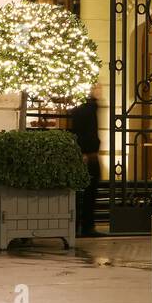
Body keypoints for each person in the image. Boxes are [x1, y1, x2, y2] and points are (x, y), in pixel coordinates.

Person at [66, 88, 101, 237]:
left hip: (88, 154)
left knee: (87, 193)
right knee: (85, 193)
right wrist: (84, 152)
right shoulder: (84, 109)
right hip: (87, 156)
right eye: (96, 88)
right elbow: (82, 132)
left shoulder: (90, 107)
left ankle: (83, 226)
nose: (99, 90)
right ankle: (83, 227)